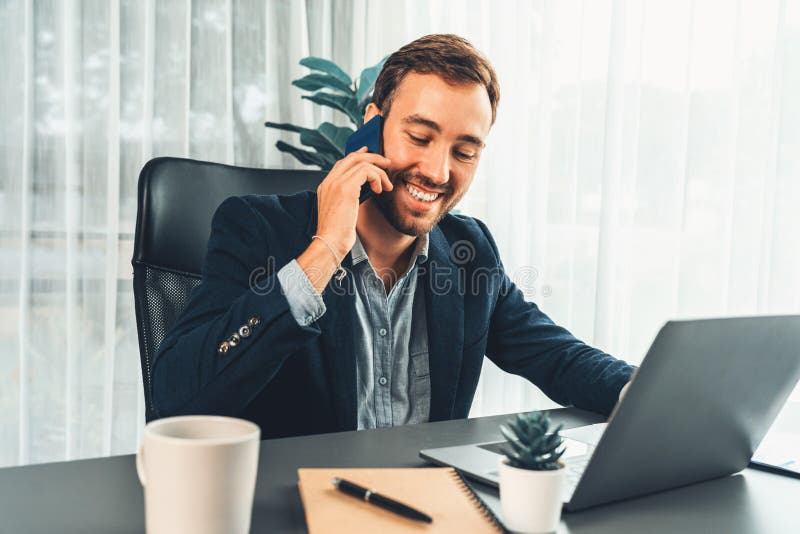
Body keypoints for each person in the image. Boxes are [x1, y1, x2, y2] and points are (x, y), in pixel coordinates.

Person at [151, 34, 634, 439]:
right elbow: (176, 396)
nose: (438, 171)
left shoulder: (470, 255)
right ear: (372, 125)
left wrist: (650, 393)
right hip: (298, 510)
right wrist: (325, 250)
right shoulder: (257, 228)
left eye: (464, 152)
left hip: (428, 511)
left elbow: (559, 357)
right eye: (420, 137)